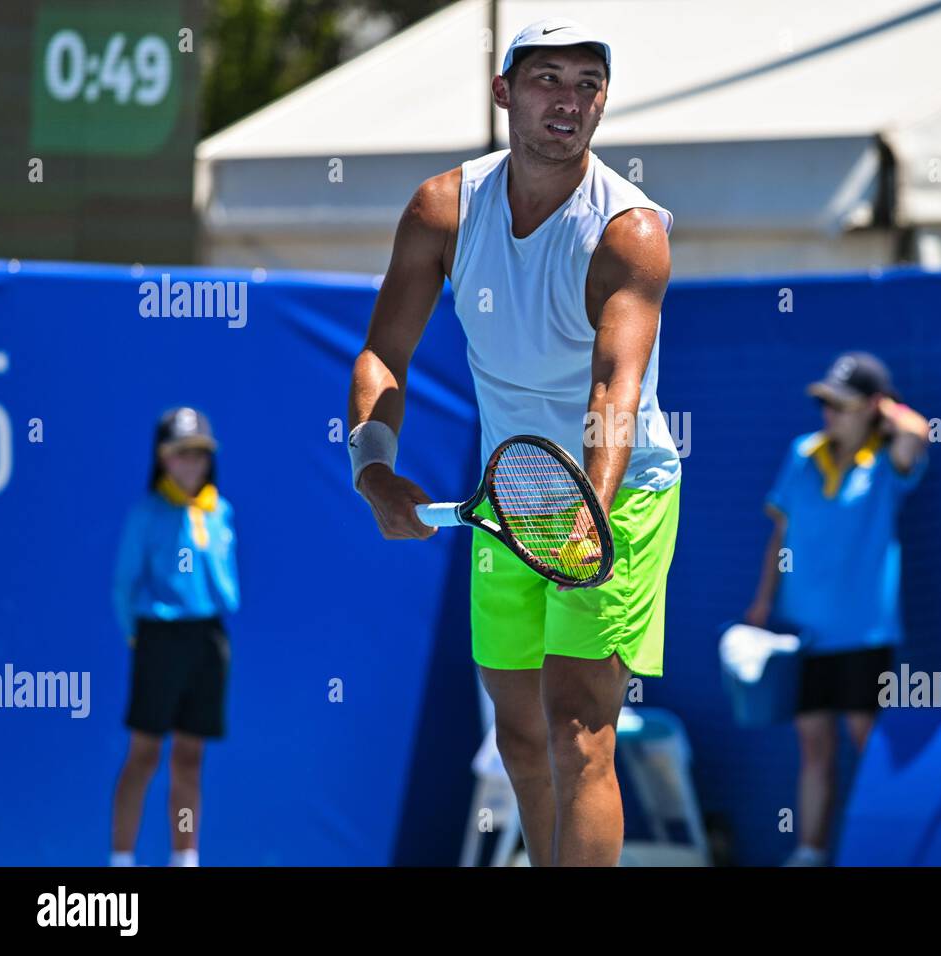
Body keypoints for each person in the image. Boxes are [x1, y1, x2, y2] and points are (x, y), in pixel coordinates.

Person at [346, 17, 681, 866]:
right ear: (503, 92)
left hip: (622, 489)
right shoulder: (443, 208)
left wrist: (590, 513)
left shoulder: (630, 231)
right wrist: (373, 470)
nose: (568, 103)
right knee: (520, 739)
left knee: (578, 729)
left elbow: (617, 389)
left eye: (586, 85)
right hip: (513, 497)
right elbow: (386, 351)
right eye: (547, 81)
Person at [745, 352, 928, 866]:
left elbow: (917, 433)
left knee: (867, 740)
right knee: (814, 746)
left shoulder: (889, 462)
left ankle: (885, 850)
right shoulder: (802, 454)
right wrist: (762, 601)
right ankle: (810, 852)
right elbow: (778, 535)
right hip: (804, 633)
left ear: (872, 407)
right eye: (825, 403)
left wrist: (882, 409)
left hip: (865, 633)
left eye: (842, 404)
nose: (829, 413)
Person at [109, 407, 240, 867]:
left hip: (208, 643)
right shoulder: (146, 513)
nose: (191, 464)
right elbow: (124, 584)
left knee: (189, 759)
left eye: (199, 455)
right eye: (182, 454)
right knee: (143, 756)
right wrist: (136, 638)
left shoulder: (219, 513)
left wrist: (205, 542)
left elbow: (230, 596)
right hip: (158, 641)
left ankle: (184, 858)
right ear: (163, 459)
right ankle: (121, 859)